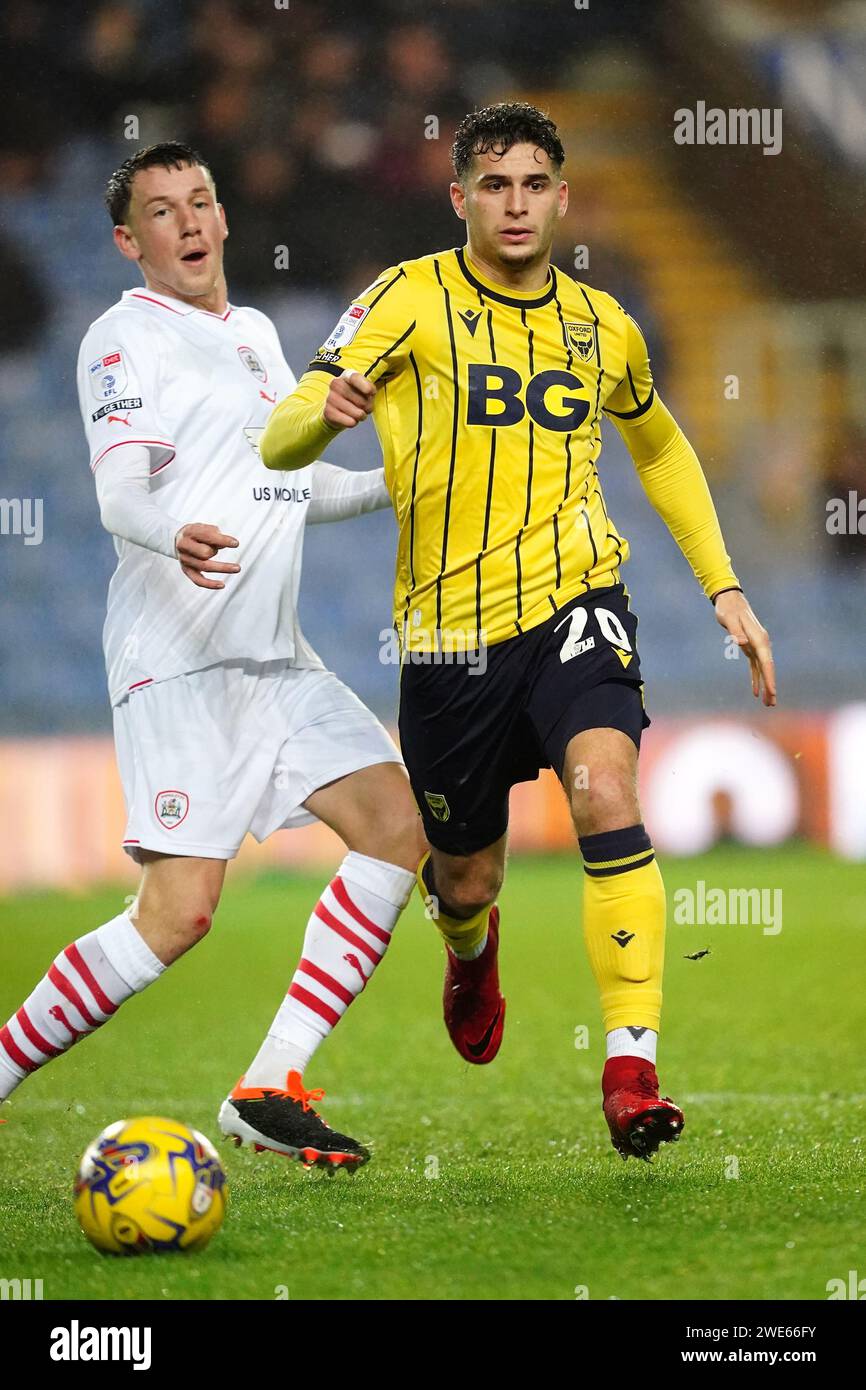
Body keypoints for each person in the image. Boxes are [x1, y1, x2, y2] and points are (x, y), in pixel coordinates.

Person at [258, 104, 777, 1160]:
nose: (513, 204)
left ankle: (630, 1067)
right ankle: (467, 948)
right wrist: (330, 409)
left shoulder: (601, 323)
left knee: (605, 787)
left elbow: (662, 447)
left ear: (560, 197)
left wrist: (722, 586)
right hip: (447, 641)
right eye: (492, 185)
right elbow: (278, 438)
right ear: (459, 199)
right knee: (466, 878)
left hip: (577, 600)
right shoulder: (405, 297)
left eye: (532, 184)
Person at [0, 143, 424, 1171]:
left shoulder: (257, 336)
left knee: (398, 828)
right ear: (127, 240)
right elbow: (119, 493)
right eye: (159, 210)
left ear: (225, 218)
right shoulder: (119, 338)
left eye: (199, 202)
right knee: (176, 916)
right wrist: (168, 534)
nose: (185, 223)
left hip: (275, 656)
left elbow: (288, 488)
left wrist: (395, 481)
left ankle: (269, 1084)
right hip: (178, 654)